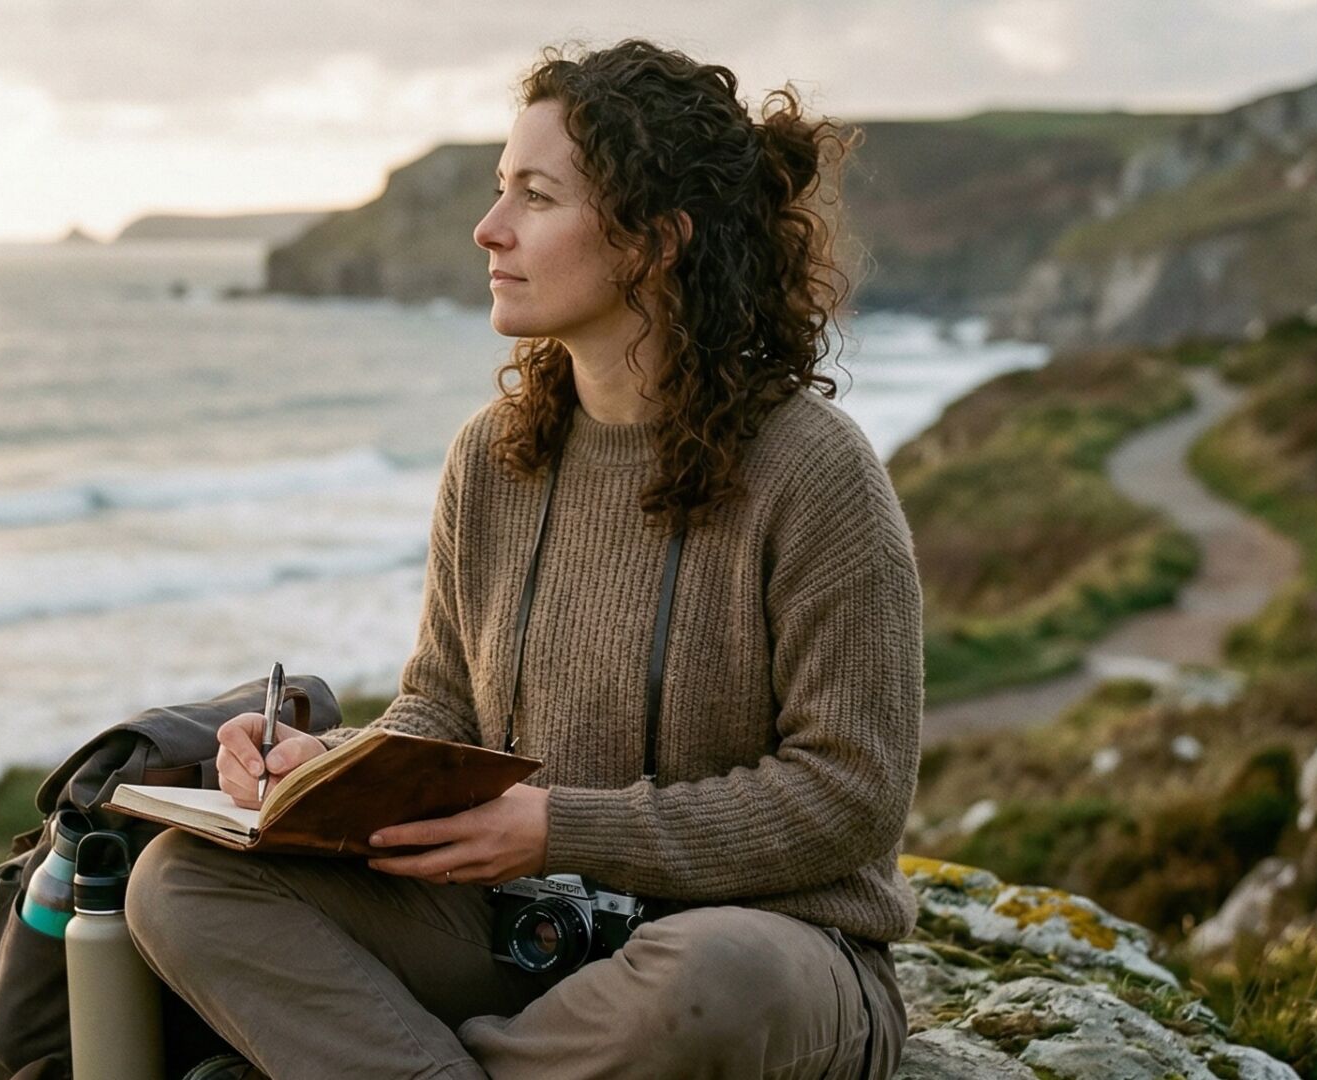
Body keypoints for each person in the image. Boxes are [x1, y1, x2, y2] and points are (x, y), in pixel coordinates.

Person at [126, 37, 919, 1080]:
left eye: (535, 197)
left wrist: (562, 829)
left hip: (765, 948)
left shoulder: (813, 473)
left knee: (707, 977)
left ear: (657, 240)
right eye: (502, 191)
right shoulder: (496, 460)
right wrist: (332, 774)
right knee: (182, 882)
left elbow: (847, 795)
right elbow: (443, 714)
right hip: (526, 938)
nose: (488, 229)